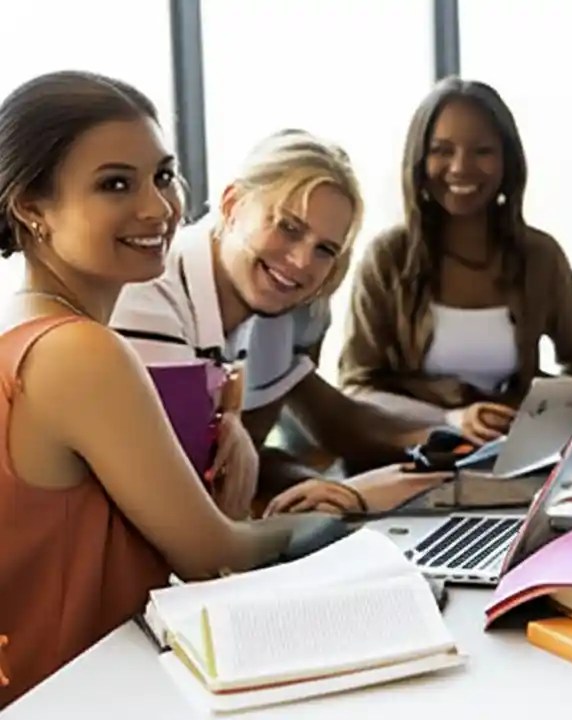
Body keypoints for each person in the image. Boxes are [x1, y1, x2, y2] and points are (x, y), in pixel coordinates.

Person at [0, 71, 345, 709]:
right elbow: (216, 553)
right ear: (31, 207)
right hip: (74, 697)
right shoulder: (79, 352)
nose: (159, 208)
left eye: (163, 175)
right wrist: (352, 525)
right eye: (115, 184)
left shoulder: (25, 333)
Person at [110, 129, 444, 512]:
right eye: (288, 227)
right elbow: (186, 512)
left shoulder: (277, 306)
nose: (302, 262)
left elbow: (237, 464)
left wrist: (321, 491)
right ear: (232, 204)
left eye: (324, 249)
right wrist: (355, 498)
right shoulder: (149, 297)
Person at [338, 77, 572, 448]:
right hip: (412, 458)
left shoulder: (540, 256)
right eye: (442, 150)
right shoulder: (387, 258)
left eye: (482, 151)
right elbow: (355, 388)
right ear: (419, 159)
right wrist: (451, 420)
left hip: (512, 459)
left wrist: (544, 416)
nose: (461, 167)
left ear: (507, 160)